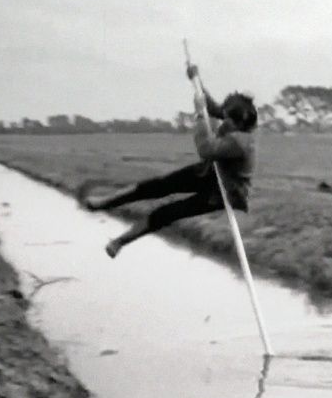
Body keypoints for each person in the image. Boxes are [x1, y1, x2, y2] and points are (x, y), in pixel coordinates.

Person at [82, 64, 256, 258]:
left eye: (228, 120)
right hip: (209, 172)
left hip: (222, 191)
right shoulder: (234, 121)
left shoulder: (241, 142)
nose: (224, 121)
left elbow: (205, 149)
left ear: (240, 123)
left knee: (168, 213)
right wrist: (196, 81)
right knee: (156, 186)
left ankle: (119, 242)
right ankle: (105, 202)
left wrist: (199, 114)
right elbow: (214, 108)